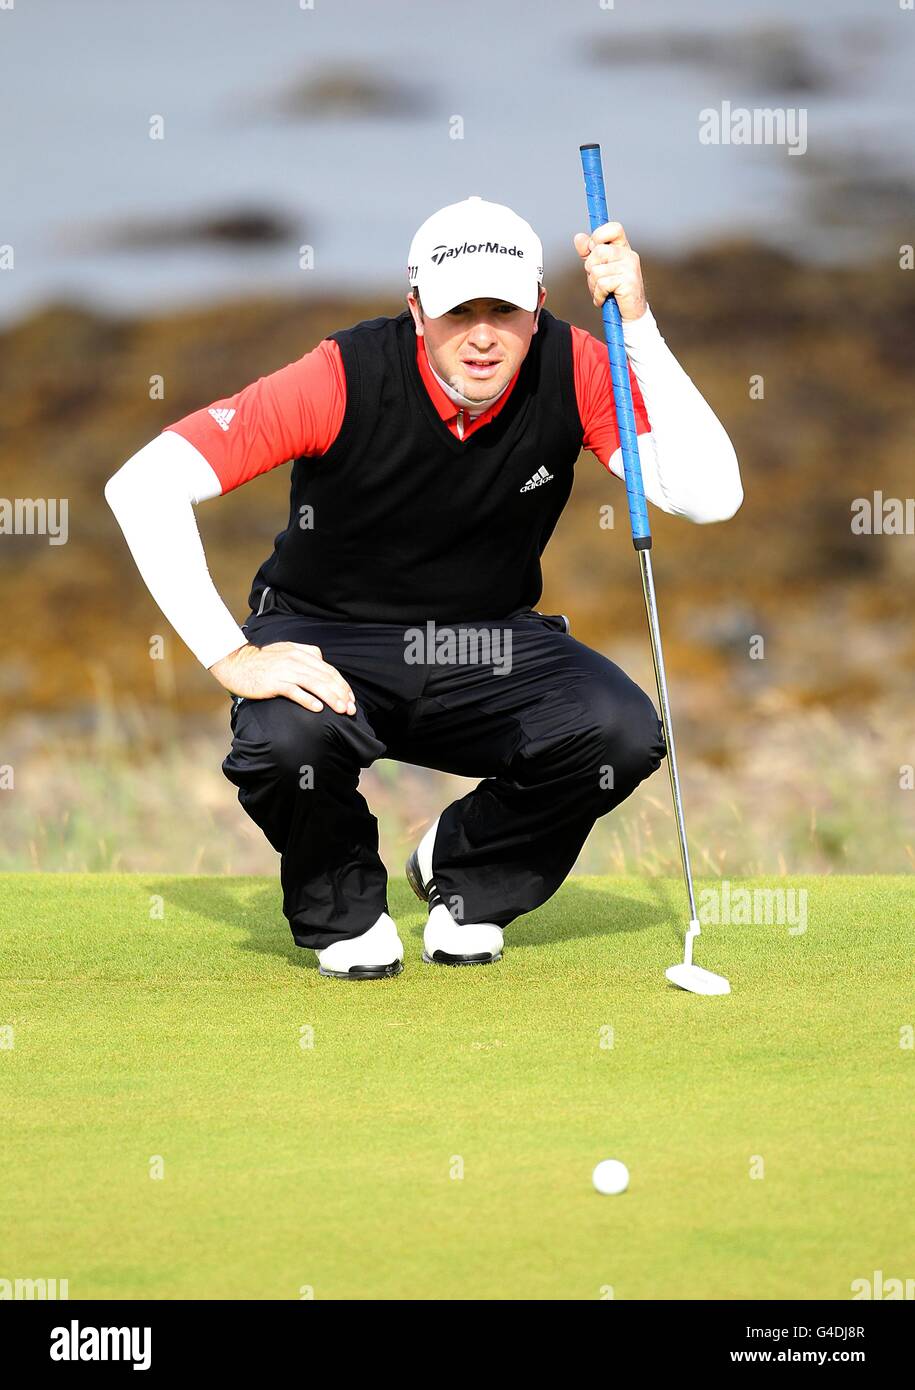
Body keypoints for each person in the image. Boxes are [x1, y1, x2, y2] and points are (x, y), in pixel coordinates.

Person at [105, 196, 742, 980]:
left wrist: (636, 328)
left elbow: (710, 496)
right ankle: (344, 905)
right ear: (415, 308)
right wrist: (229, 656)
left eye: (503, 309)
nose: (481, 335)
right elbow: (143, 486)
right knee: (283, 744)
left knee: (617, 731)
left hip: (489, 638)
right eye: (456, 311)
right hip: (328, 634)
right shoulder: (341, 375)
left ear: (538, 305)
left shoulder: (573, 365)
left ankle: (465, 875)